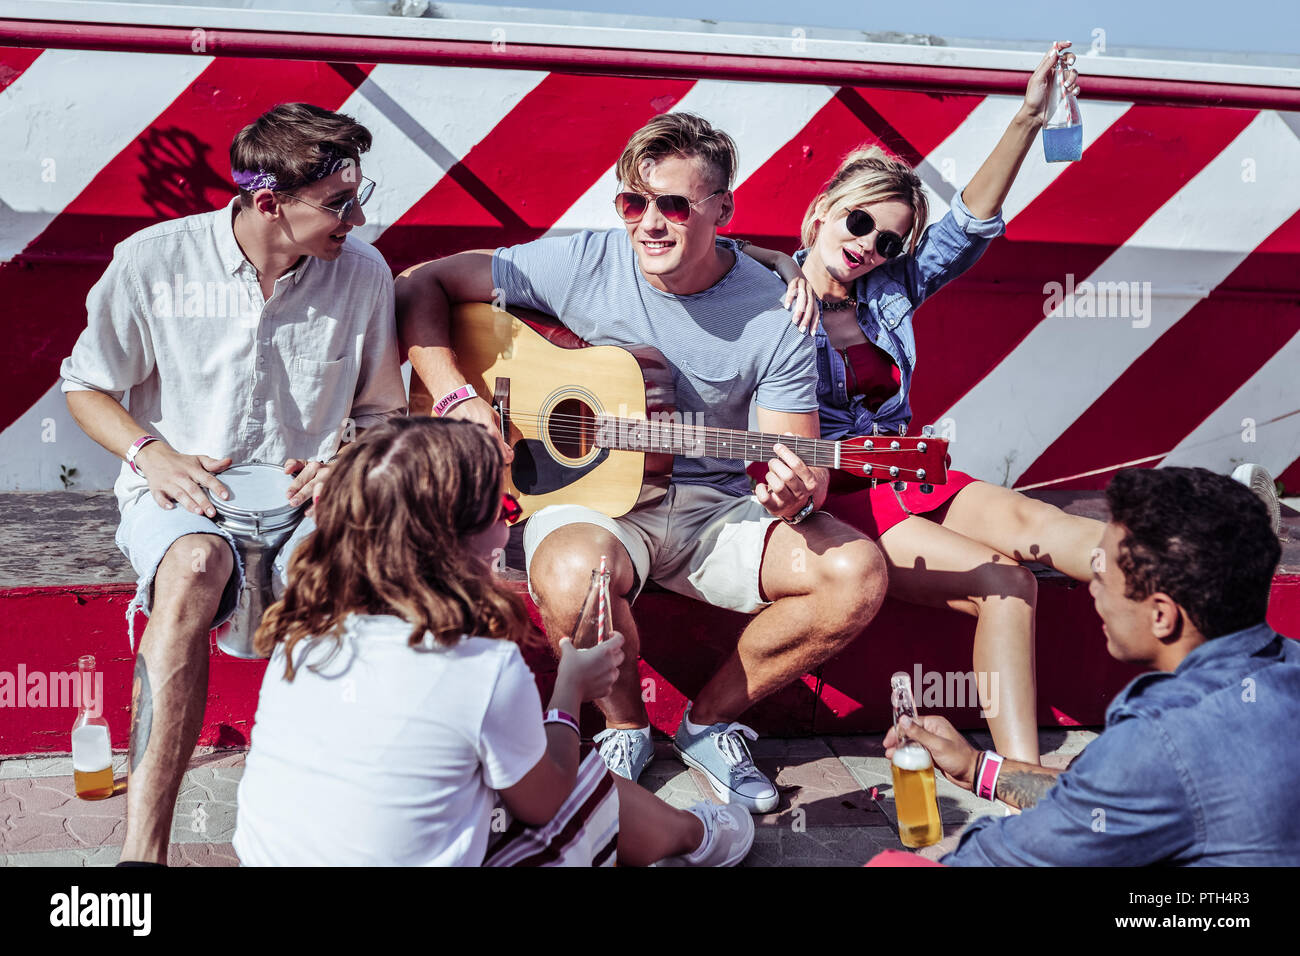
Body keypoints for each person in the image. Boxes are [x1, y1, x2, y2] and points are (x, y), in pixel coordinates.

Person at [736, 42, 1279, 763]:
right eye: (858, 223)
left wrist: (1027, 118)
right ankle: (1020, 777)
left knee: (1043, 522)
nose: (870, 245)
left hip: (909, 472)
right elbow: (699, 256)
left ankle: (1219, 576)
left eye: (889, 238)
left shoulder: (889, 290)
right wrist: (776, 261)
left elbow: (967, 225)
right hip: (832, 501)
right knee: (1007, 580)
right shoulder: (755, 289)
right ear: (820, 213)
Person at [396, 112, 888, 813]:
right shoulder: (589, 259)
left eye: (675, 205)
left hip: (712, 510)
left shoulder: (776, 315)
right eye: (634, 202)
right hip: (589, 502)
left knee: (855, 572)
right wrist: (453, 401)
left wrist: (793, 495)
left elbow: (801, 465)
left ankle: (709, 724)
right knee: (573, 575)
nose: (649, 223)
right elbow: (421, 284)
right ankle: (625, 727)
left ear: (723, 209)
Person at [59, 103, 408, 865]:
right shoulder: (152, 260)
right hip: (181, 493)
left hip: (305, 498)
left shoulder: (366, 274)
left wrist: (344, 460)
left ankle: (336, 839)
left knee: (352, 583)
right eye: (340, 203)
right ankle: (142, 857)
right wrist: (151, 453)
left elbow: (383, 413)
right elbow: (84, 387)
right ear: (270, 202)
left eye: (361, 194)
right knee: (191, 569)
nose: (358, 216)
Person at [233, 417, 755, 866]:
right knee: (586, 788)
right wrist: (568, 692)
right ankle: (697, 837)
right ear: (449, 538)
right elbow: (547, 801)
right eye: (502, 510)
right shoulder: (481, 665)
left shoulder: (302, 633)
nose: (508, 533)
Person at [881, 466, 1300, 866]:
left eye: (1103, 576)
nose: (1093, 591)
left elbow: (1010, 853)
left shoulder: (1155, 744)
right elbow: (1107, 802)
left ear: (1162, 616)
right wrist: (977, 768)